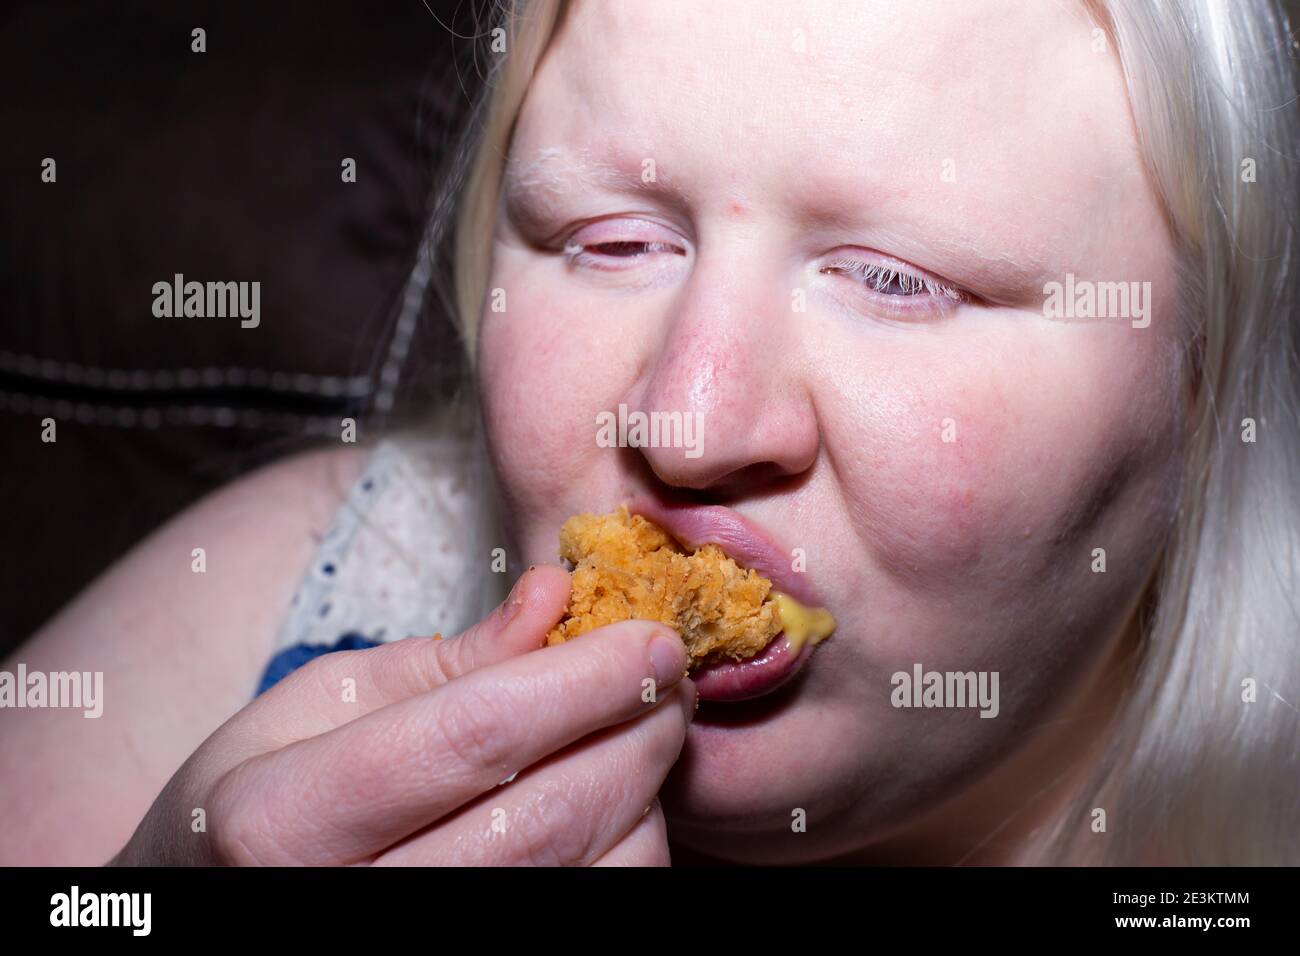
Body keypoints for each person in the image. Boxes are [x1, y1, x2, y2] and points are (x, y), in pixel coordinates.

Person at [3, 0, 1297, 866]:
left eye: (894, 279)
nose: (685, 424)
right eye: (611, 242)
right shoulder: (304, 580)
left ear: (1206, 383)